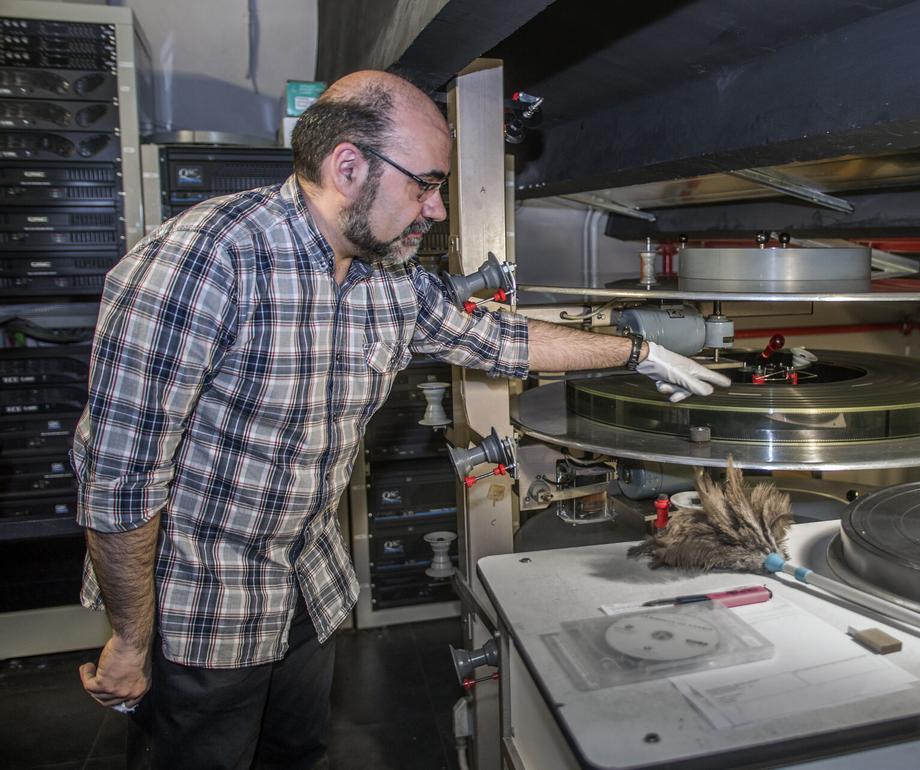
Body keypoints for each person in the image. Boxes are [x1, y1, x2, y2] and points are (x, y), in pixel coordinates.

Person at [72, 70, 729, 769]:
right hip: (198, 607)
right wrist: (130, 640)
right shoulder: (200, 263)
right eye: (424, 184)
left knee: (297, 753)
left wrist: (639, 350)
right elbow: (120, 482)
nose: (438, 210)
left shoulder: (389, 279)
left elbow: (503, 340)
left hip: (304, 585)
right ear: (347, 167)